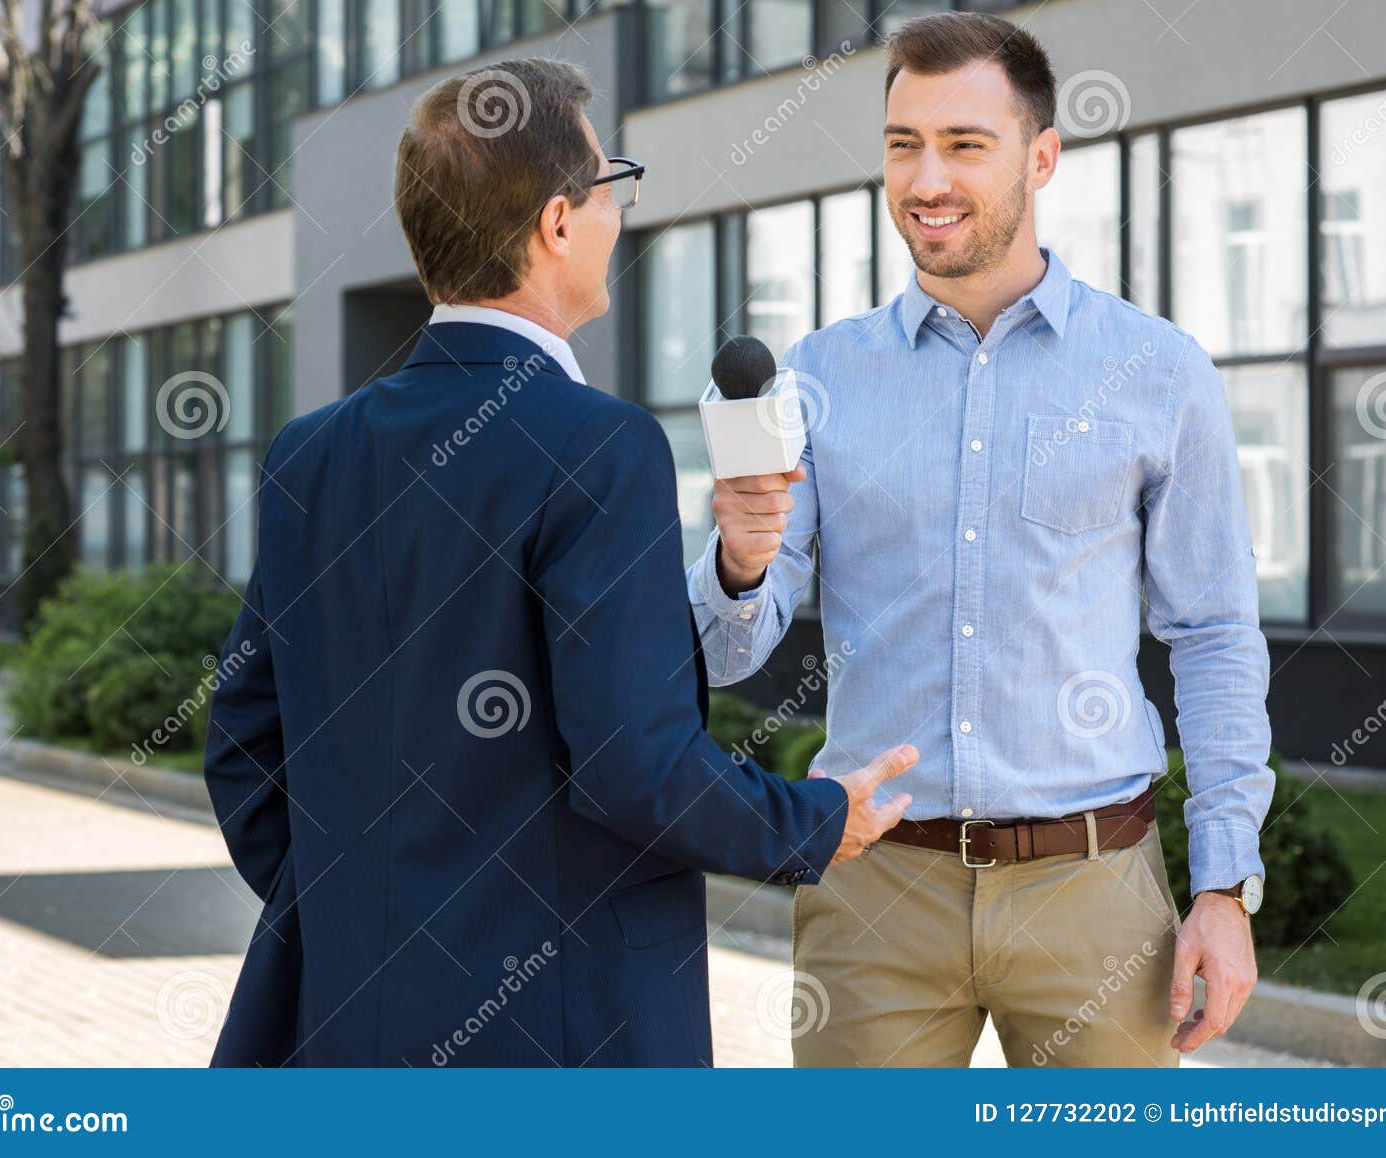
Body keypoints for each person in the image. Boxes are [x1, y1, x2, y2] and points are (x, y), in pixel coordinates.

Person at [202, 56, 916, 1068]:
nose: (618, 214)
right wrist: (810, 819)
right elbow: (634, 764)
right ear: (554, 223)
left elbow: (242, 740)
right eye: (610, 184)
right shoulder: (597, 444)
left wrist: (352, 912)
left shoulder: (310, 453)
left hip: (344, 1014)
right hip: (559, 1027)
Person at [689, 11, 1272, 1067]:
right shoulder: (818, 377)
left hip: (1095, 892)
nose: (926, 178)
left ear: (1040, 156)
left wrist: (1226, 888)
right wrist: (736, 559)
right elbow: (731, 651)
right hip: (872, 896)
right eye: (902, 143)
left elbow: (1216, 633)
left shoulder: (1157, 371)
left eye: (964, 143)